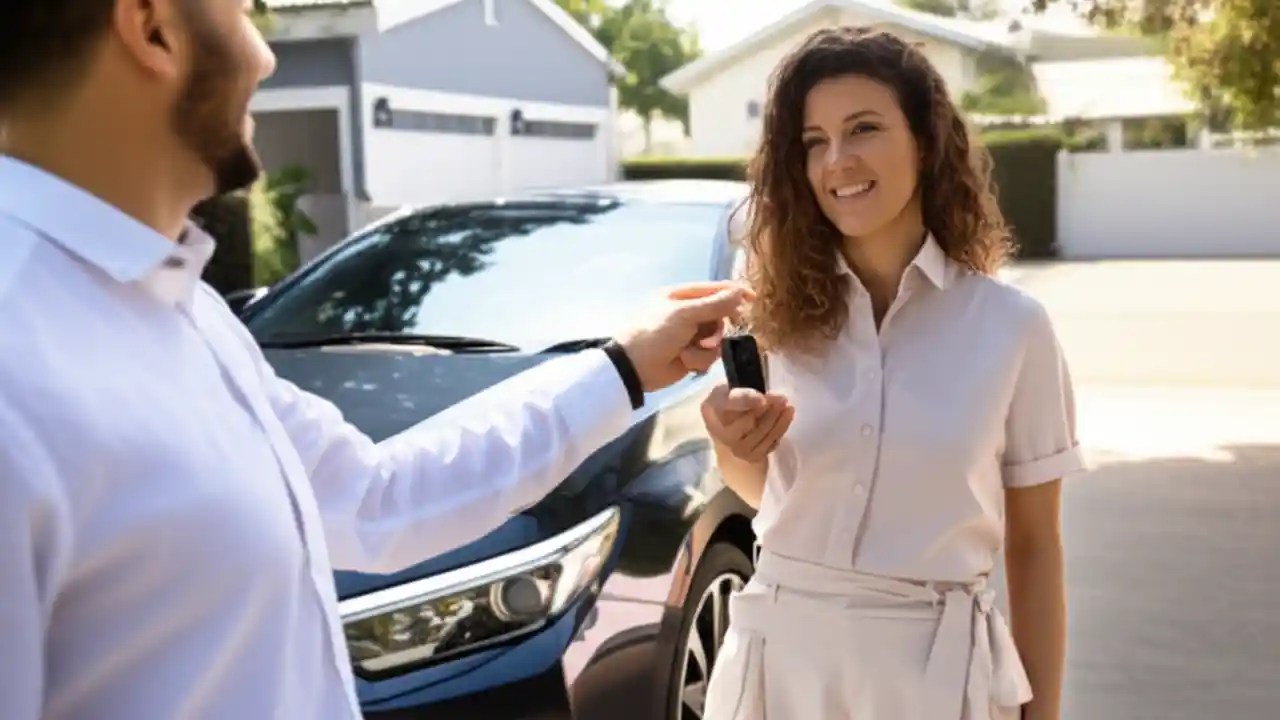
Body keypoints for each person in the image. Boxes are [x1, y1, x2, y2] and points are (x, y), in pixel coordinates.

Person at [0, 2, 750, 719]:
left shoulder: (188, 313)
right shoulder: (20, 363)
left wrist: (622, 368)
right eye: (242, 12)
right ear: (152, 26)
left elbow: (376, 498)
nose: (266, 58)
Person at [698, 27, 1087, 720]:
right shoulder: (770, 320)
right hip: (779, 664)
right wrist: (734, 444)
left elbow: (1034, 547)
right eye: (814, 141)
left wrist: (1045, 714)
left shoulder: (1012, 328)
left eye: (864, 128)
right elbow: (765, 492)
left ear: (926, 142)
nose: (837, 160)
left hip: (936, 676)